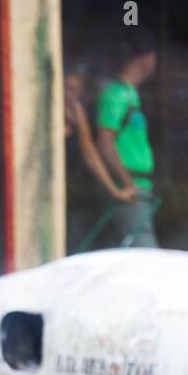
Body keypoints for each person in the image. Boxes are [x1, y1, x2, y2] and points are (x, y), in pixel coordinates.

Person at [64, 65, 136, 254]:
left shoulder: (79, 117)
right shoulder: (46, 115)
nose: (68, 97)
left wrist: (115, 190)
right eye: (65, 89)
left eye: (74, 92)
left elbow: (90, 154)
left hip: (76, 199)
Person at [96, 40, 159, 247]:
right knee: (145, 256)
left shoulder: (131, 95)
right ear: (147, 58)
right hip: (128, 189)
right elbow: (105, 141)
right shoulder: (115, 95)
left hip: (140, 186)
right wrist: (126, 182)